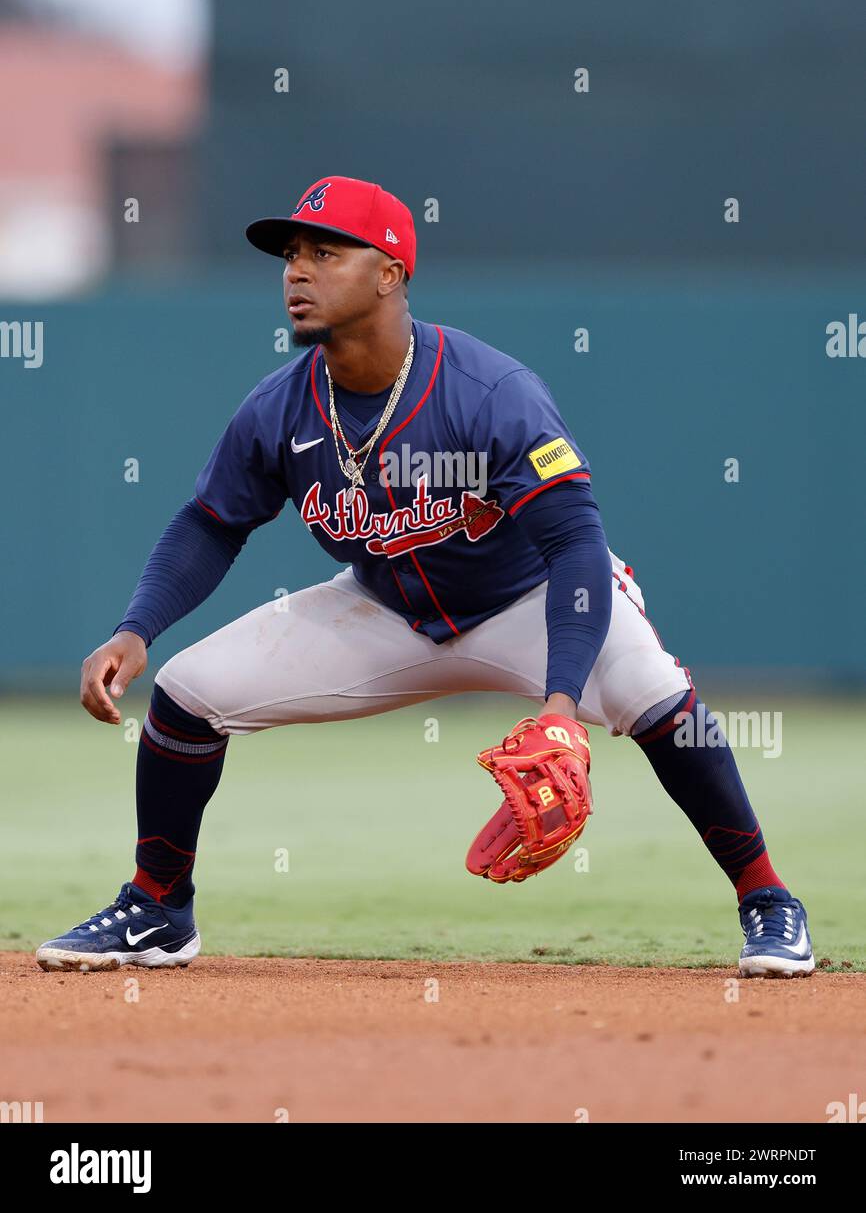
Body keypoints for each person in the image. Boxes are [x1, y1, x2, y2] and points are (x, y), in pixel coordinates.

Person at [36, 176, 814, 978]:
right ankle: (159, 907)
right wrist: (138, 628)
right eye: (291, 255)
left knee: (657, 698)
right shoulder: (280, 408)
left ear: (390, 273)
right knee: (189, 692)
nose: (296, 271)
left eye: (325, 252)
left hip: (533, 599)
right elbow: (211, 521)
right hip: (385, 611)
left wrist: (560, 706)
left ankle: (768, 901)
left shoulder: (489, 393)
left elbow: (577, 543)